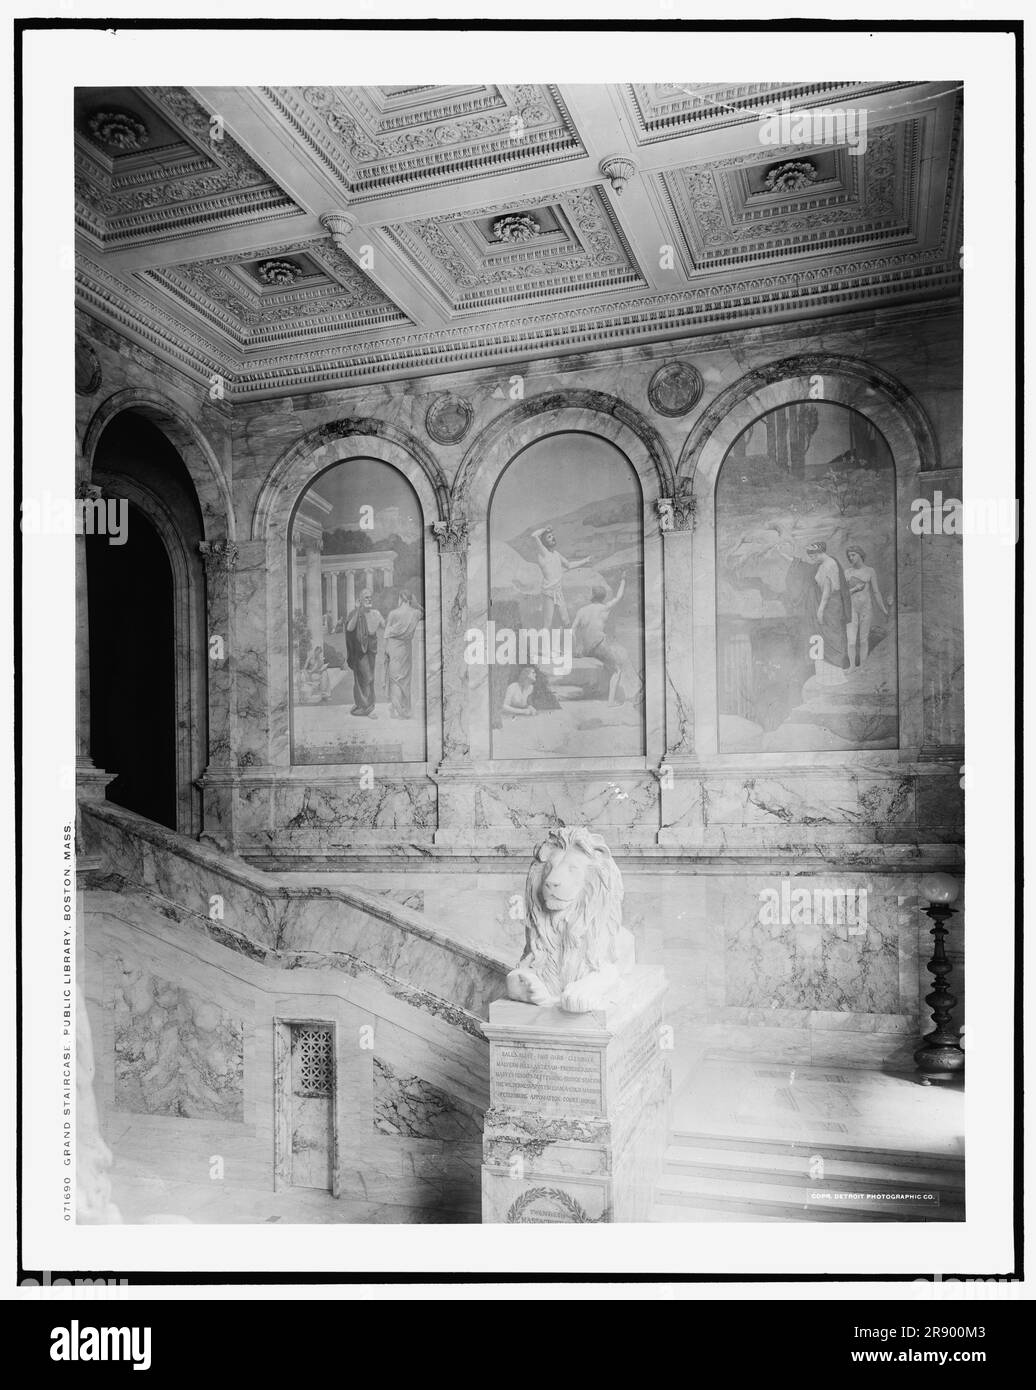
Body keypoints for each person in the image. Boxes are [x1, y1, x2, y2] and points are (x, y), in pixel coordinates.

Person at [571, 574, 639, 705]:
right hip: (599, 647)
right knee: (617, 669)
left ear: (592, 596)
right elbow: (618, 597)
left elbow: (572, 631)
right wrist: (623, 579)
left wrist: (575, 649)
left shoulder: (582, 610)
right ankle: (611, 701)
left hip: (586, 649)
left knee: (609, 662)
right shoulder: (604, 608)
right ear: (602, 597)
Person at [531, 525, 590, 628]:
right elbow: (534, 535)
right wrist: (545, 529)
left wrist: (585, 561)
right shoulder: (543, 553)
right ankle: (545, 643)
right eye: (549, 537)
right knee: (547, 624)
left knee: (566, 621)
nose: (553, 538)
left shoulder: (556, 554)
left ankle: (567, 642)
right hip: (548, 593)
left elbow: (568, 565)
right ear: (544, 542)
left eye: (553, 536)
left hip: (558, 592)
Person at [844, 545, 889, 668]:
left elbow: (876, 592)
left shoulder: (870, 571)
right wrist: (855, 589)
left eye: (853, 555)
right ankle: (852, 666)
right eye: (849, 556)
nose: (851, 558)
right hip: (852, 609)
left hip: (865, 608)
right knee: (851, 642)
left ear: (860, 554)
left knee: (863, 640)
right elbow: (844, 594)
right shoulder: (847, 572)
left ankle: (862, 667)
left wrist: (883, 609)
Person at [383, 589, 422, 719]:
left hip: (394, 647)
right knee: (404, 679)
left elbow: (386, 633)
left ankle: (398, 709)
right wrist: (415, 604)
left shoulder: (393, 613)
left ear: (401, 598)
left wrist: (386, 651)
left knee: (395, 680)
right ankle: (400, 708)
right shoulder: (416, 613)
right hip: (406, 648)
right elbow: (423, 612)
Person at [344, 589, 384, 717]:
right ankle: (365, 706)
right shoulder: (356, 613)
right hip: (359, 652)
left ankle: (367, 705)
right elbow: (350, 628)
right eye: (366, 598)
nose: (369, 599)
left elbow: (385, 625)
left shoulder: (376, 613)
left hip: (371, 651)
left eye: (370, 597)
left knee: (368, 678)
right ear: (360, 601)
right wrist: (357, 610)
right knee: (365, 678)